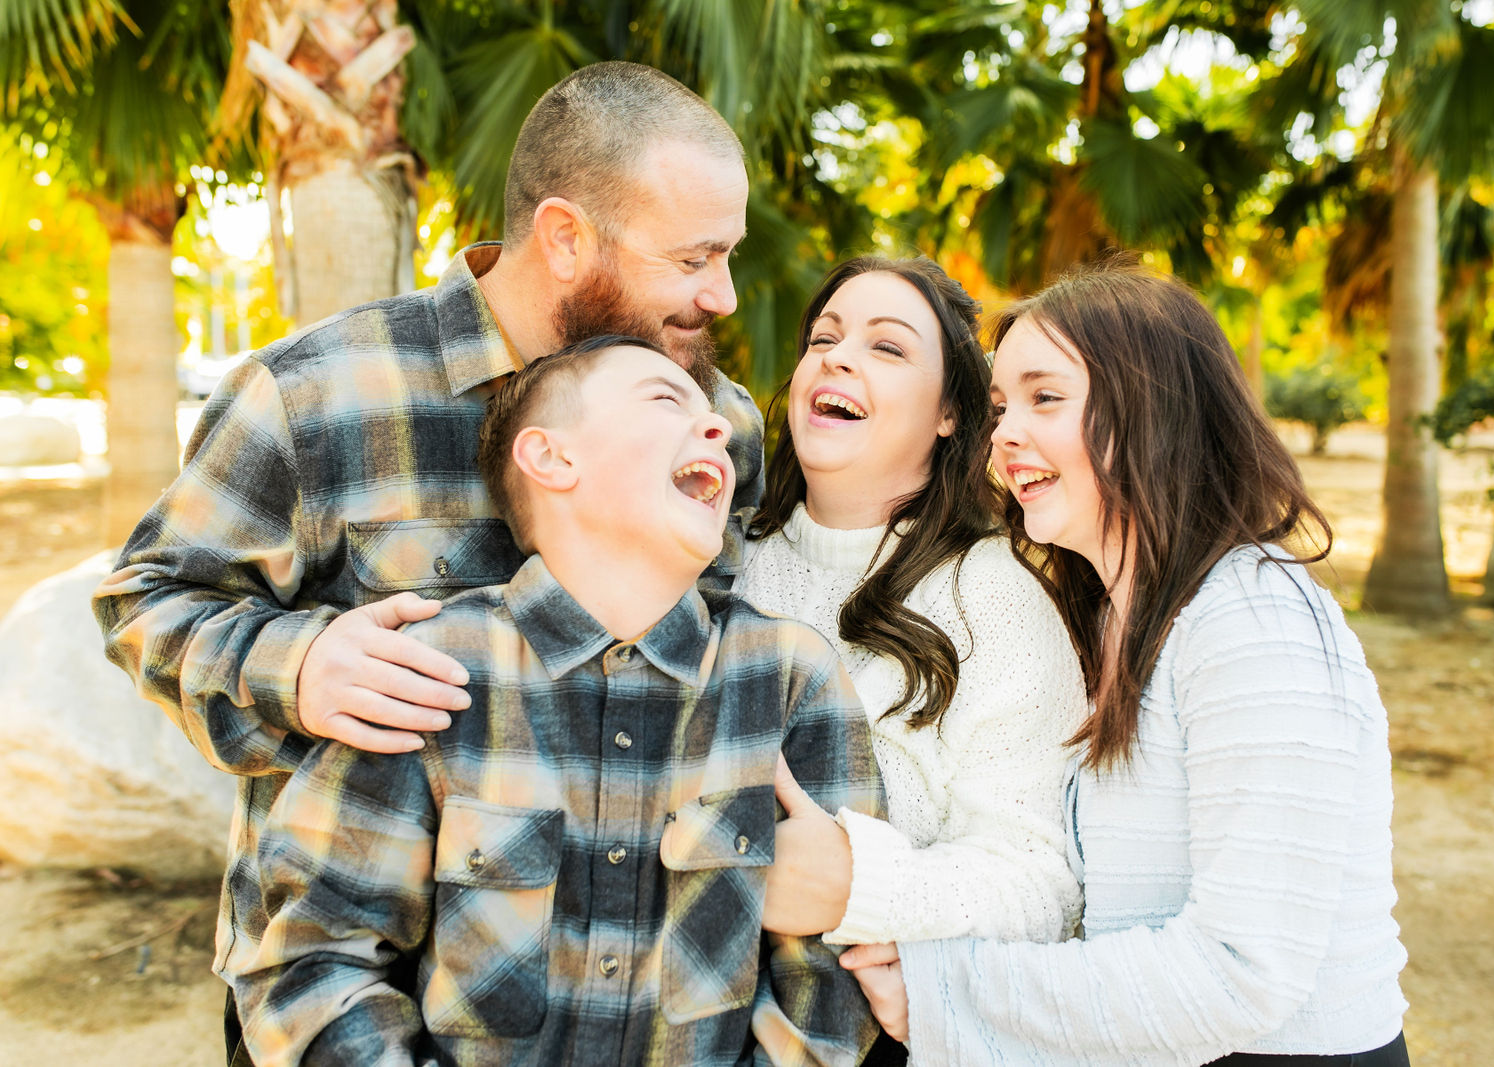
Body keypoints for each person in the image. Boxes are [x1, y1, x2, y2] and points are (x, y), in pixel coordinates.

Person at [89, 61, 763, 1062]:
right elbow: (143, 600)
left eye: (728, 254)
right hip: (331, 998)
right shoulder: (313, 395)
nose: (723, 294)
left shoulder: (720, 427)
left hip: (602, 1013)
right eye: (694, 258)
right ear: (567, 237)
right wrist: (298, 665)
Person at [233, 336, 884, 1066]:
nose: (719, 430)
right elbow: (316, 960)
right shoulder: (431, 670)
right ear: (550, 458)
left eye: (717, 420)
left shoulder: (791, 680)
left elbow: (828, 994)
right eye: (667, 400)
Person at [840, 257, 1410, 1066]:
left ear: (1155, 410)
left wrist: (943, 987)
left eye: (1046, 397)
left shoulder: (1254, 620)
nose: (1002, 434)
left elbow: (1245, 971)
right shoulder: (1113, 612)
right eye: (1001, 406)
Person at [735, 257, 1088, 1063]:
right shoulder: (716, 553)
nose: (837, 356)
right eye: (823, 337)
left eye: (887, 348)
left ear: (952, 414)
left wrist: (861, 884)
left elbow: (1043, 881)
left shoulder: (993, 596)